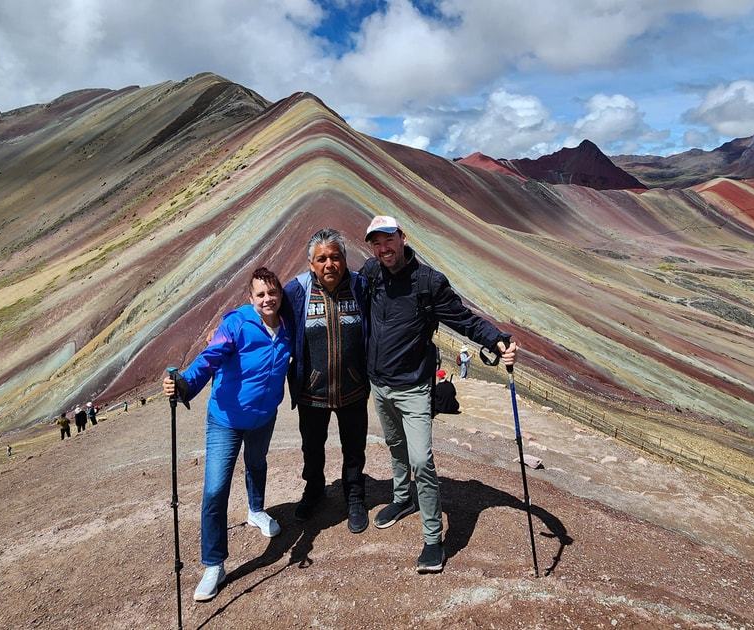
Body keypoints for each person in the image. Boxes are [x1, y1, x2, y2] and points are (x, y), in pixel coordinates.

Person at [361, 215, 517, 574]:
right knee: (394, 446)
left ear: (402, 237)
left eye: (388, 240)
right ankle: (403, 498)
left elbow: (464, 319)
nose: (383, 248)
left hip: (414, 388)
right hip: (379, 385)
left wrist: (498, 339)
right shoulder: (371, 275)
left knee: (420, 460)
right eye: (376, 242)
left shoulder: (428, 283)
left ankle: (433, 539)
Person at [163, 267, 292, 603]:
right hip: (225, 419)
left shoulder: (287, 327)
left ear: (280, 295)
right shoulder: (236, 323)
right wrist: (186, 383)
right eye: (260, 294)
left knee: (257, 463)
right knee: (216, 488)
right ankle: (214, 564)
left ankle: (256, 510)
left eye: (272, 293)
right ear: (250, 299)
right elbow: (211, 357)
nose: (267, 299)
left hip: (264, 417)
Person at [281, 228, 370, 533]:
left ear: (344, 259)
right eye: (321, 259)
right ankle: (314, 489)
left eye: (335, 257)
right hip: (312, 391)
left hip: (353, 388)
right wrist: (224, 326)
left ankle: (355, 495)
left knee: (354, 447)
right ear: (311, 264)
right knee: (312, 447)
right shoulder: (296, 292)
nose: (329, 264)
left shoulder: (360, 287)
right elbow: (262, 311)